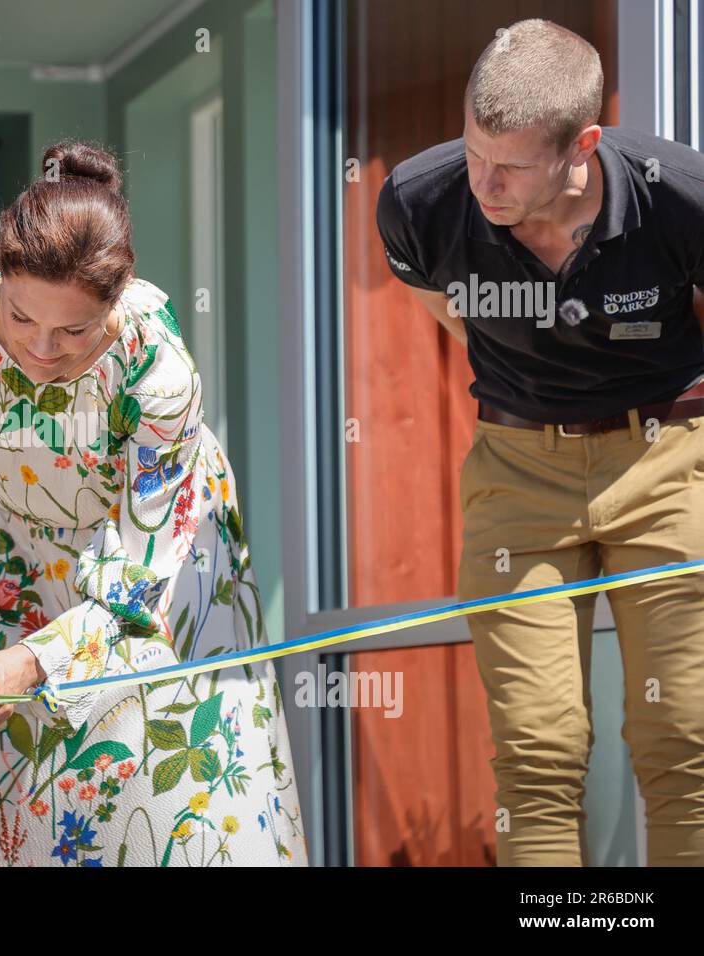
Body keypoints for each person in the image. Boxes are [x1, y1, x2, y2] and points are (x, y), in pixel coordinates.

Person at [0, 140, 308, 867]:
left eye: (72, 331)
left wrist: (39, 662)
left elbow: (139, 578)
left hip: (166, 571)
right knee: (39, 801)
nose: (40, 348)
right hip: (17, 560)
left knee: (181, 801)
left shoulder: (159, 373)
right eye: (21, 316)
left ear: (116, 301)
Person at [377, 19, 704, 865]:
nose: (483, 181)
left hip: (667, 462)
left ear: (582, 145)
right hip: (517, 475)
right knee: (538, 752)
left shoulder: (680, 195)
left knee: (685, 743)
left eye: (512, 165)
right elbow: (451, 320)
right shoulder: (418, 202)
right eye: (473, 149)